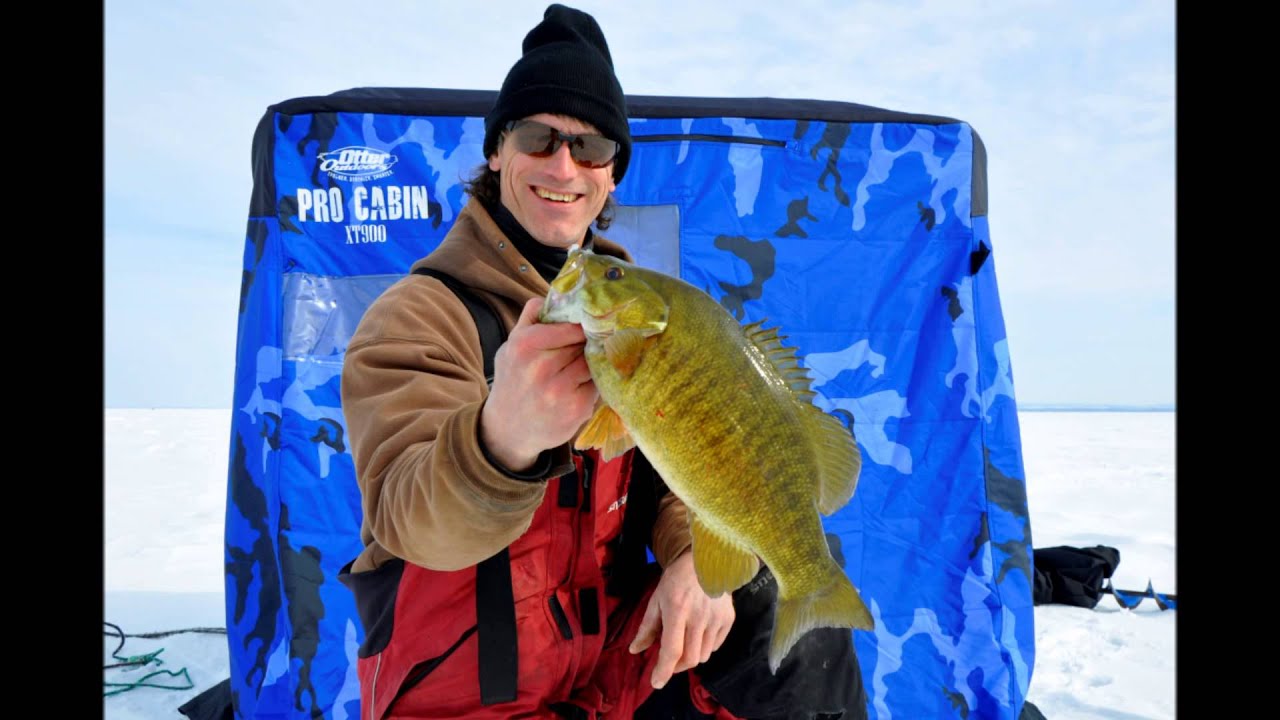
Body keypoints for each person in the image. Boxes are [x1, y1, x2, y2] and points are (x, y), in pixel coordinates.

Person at [338, 5, 867, 719]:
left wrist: (691, 559)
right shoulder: (418, 317)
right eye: (538, 138)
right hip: (462, 692)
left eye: (590, 147)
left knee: (767, 597)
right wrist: (503, 438)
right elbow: (411, 523)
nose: (564, 166)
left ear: (612, 173)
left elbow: (691, 460)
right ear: (497, 152)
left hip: (613, 668)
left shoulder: (646, 318)